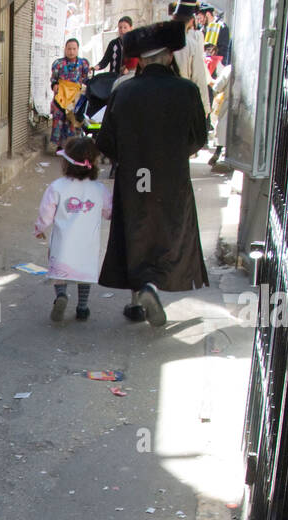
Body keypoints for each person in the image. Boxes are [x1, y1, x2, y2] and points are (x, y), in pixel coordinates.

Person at [97, 20, 210, 326]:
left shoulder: (124, 91)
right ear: (169, 57)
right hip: (171, 177)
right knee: (168, 233)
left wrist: (131, 158)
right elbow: (200, 137)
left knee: (136, 231)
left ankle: (136, 301)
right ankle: (151, 286)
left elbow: (105, 140)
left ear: (141, 61)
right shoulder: (187, 90)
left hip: (134, 177)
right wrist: (173, 155)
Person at [34, 136, 112, 323]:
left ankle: (61, 295)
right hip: (88, 245)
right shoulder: (99, 189)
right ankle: (82, 307)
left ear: (66, 163)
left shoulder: (57, 187)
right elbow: (109, 212)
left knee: (60, 271)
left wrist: (40, 228)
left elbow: (46, 213)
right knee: (84, 274)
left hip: (63, 243)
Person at [169, 2, 211, 122]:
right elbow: (199, 78)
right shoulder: (191, 44)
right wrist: (204, 108)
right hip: (183, 100)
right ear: (191, 21)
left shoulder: (160, 40)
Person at [49, 39, 91, 149]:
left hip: (75, 97)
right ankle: (59, 146)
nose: (71, 51)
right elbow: (54, 79)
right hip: (61, 96)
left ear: (77, 49)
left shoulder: (83, 63)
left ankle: (72, 146)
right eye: (69, 49)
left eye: (74, 49)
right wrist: (55, 85)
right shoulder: (58, 64)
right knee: (59, 120)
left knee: (72, 121)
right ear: (65, 49)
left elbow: (86, 79)